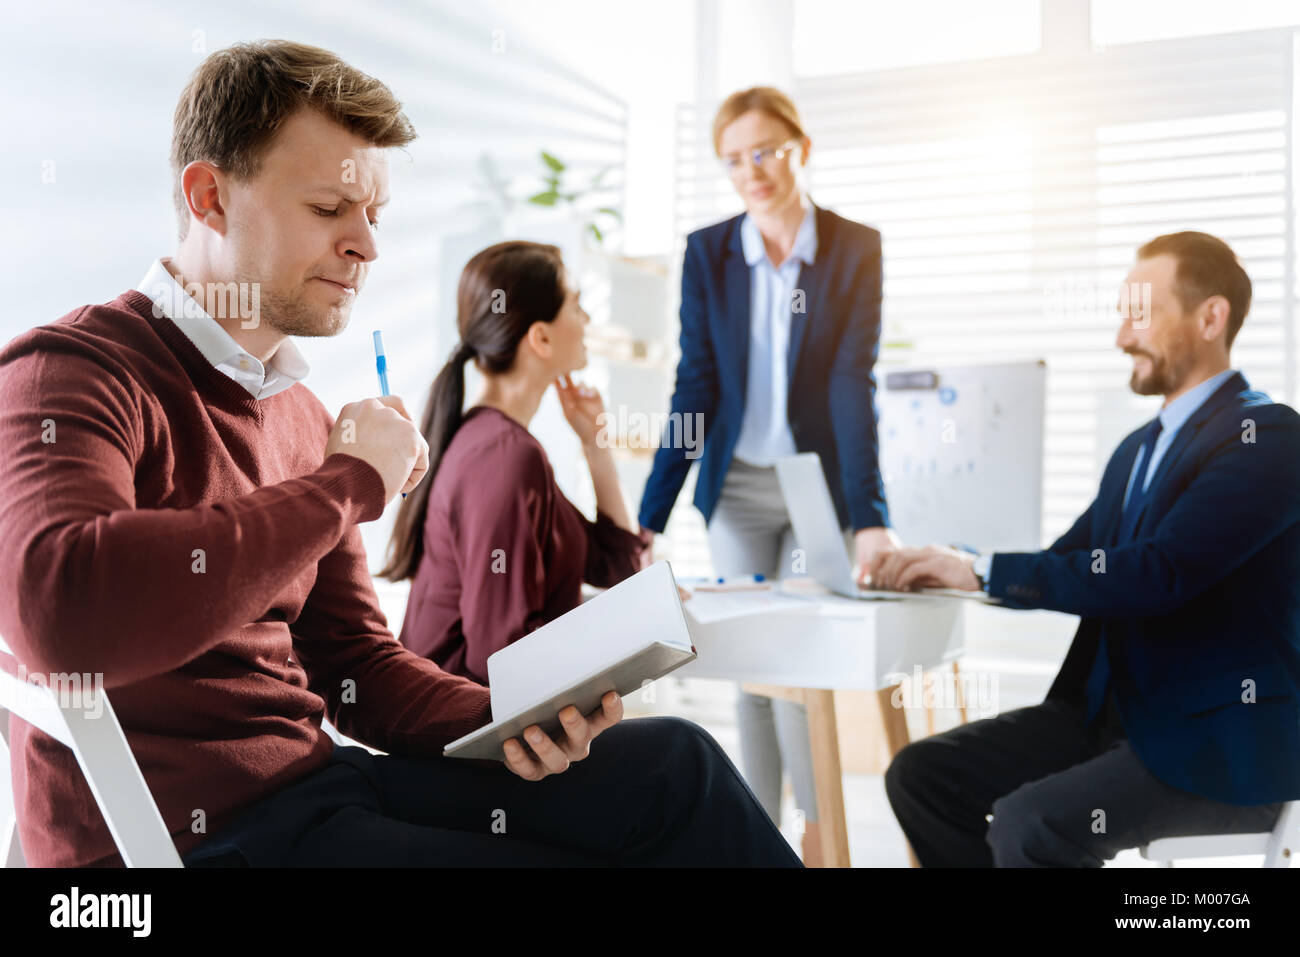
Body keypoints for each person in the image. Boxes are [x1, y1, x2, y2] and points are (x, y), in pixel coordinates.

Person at [0, 40, 800, 868]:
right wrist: (348, 481)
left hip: (317, 789)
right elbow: (59, 607)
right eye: (327, 210)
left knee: (677, 762)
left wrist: (510, 714)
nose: (366, 247)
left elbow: (354, 664)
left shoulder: (302, 415)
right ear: (209, 197)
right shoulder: (70, 371)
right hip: (192, 842)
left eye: (372, 216)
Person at [873, 231, 1299, 866]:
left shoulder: (1268, 438)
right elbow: (1073, 559)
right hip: (1113, 720)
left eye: (1140, 314)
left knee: (1028, 826)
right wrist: (953, 563)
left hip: (1216, 745)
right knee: (922, 775)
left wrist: (978, 569)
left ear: (1212, 317)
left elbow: (1159, 572)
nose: (1122, 338)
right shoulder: (1138, 450)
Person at [637, 86, 899, 861]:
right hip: (738, 485)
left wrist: (870, 512)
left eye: (765, 152)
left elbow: (855, 382)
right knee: (754, 666)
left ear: (800, 149)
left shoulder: (853, 247)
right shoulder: (709, 251)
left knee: (802, 659)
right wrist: (652, 510)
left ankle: (817, 838)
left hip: (814, 484)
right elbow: (696, 384)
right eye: (733, 160)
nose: (751, 171)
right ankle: (754, 837)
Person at [380, 241, 651, 682]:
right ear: (540, 338)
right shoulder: (504, 457)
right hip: (463, 737)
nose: (586, 321)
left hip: (489, 723)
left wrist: (595, 444)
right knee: (683, 744)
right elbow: (503, 657)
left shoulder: (500, 445)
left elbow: (619, 568)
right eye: (577, 306)